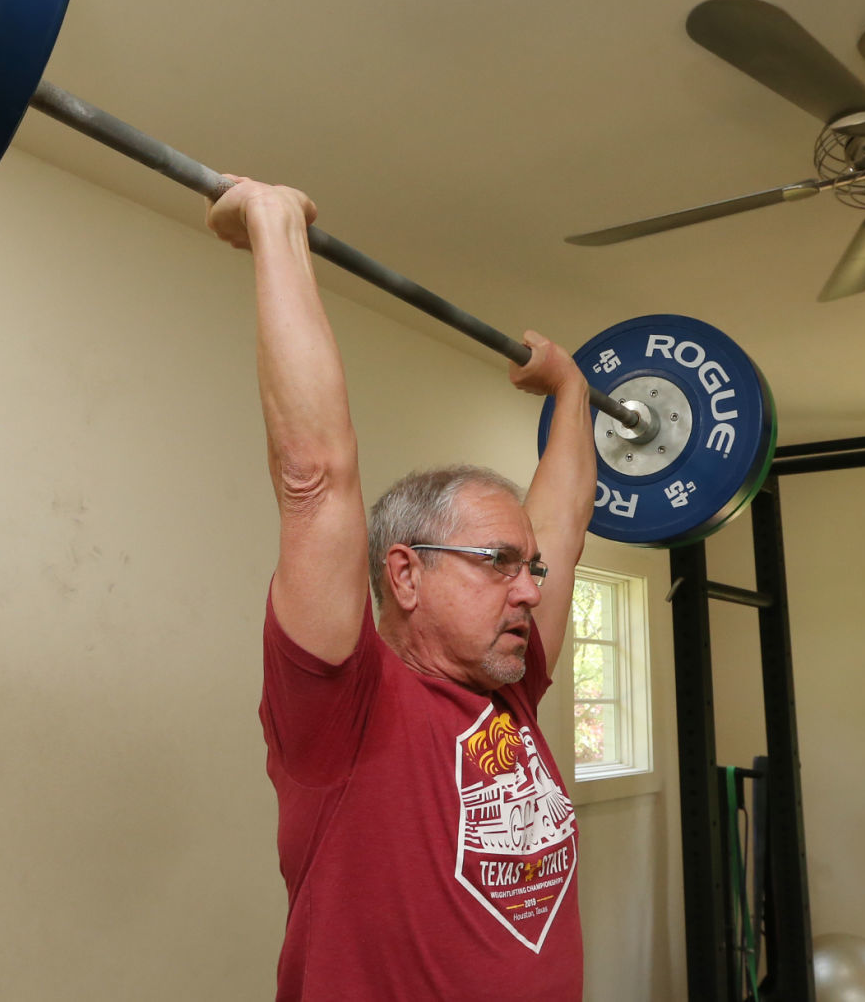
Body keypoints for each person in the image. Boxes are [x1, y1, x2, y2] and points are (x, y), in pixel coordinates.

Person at [207, 177, 597, 1001]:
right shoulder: (344, 710)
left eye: (526, 570)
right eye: (496, 561)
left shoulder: (510, 687)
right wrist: (275, 227)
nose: (527, 590)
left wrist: (572, 393)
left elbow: (561, 525)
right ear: (407, 572)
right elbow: (314, 478)